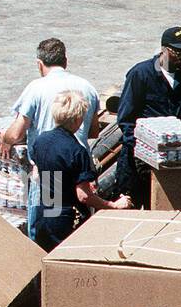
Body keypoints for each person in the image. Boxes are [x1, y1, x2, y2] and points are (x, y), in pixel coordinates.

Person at [0, 39, 102, 240]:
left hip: (49, 174)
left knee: (42, 234)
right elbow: (93, 132)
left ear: (39, 63)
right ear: (65, 60)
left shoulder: (36, 88)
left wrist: (4, 137)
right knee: (78, 233)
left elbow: (17, 133)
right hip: (81, 172)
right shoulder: (87, 87)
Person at [114, 27, 181, 207]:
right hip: (139, 159)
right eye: (178, 52)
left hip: (171, 158)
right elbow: (126, 117)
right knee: (135, 206)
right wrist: (140, 147)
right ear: (164, 50)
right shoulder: (141, 74)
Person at [29, 90, 131, 251]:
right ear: (78, 119)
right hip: (64, 218)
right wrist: (113, 205)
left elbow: (38, 173)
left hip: (43, 213)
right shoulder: (76, 150)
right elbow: (83, 197)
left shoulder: (41, 140)